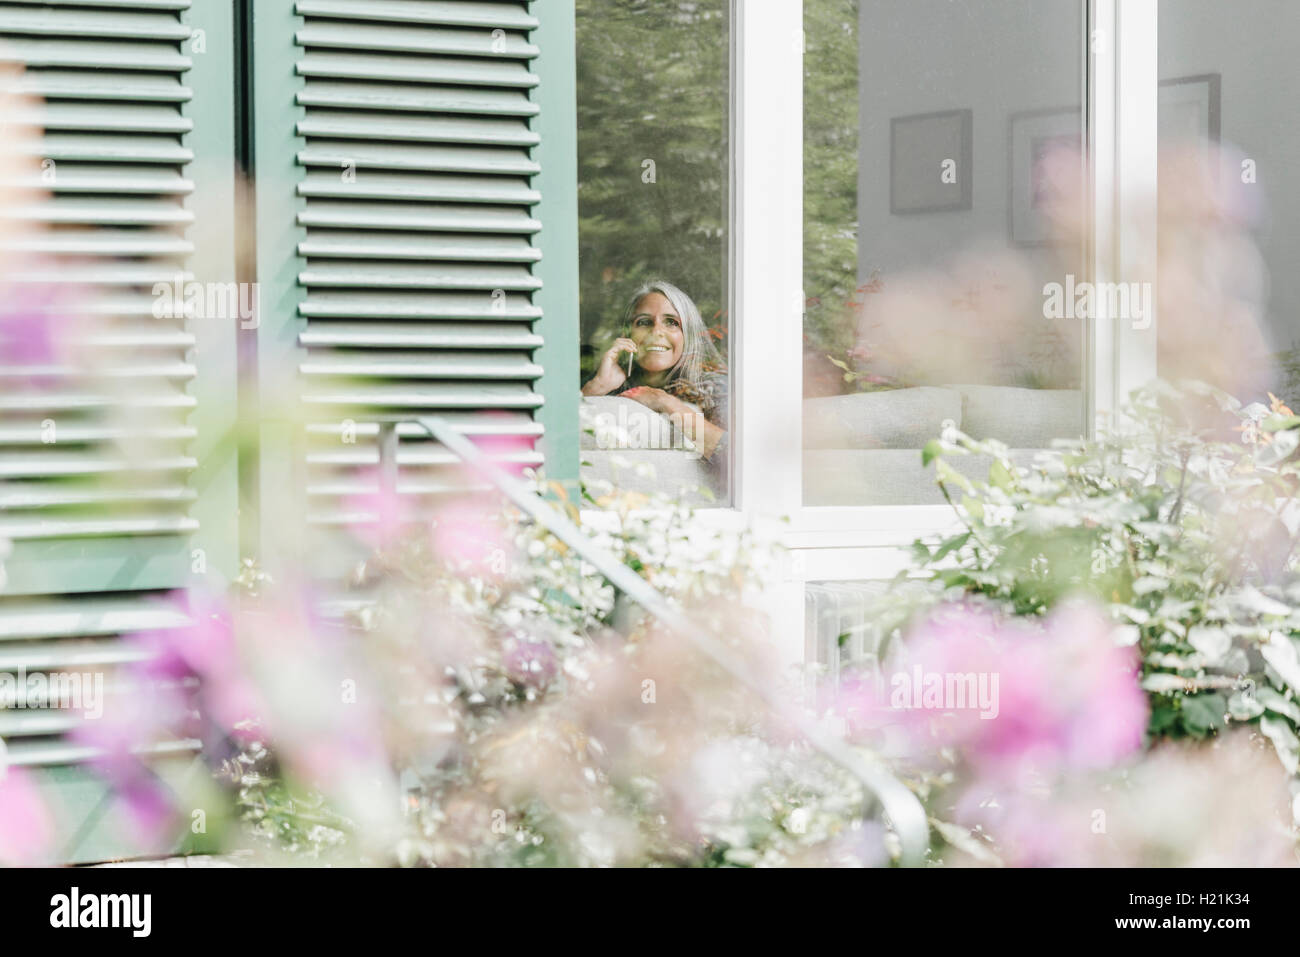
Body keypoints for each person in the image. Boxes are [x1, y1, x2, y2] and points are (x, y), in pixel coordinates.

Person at [581, 281, 727, 459]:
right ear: (628, 335)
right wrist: (598, 386)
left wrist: (663, 401)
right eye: (644, 322)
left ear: (687, 335)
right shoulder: (607, 387)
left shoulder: (713, 389)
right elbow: (557, 440)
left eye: (671, 322)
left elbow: (736, 457)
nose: (657, 331)